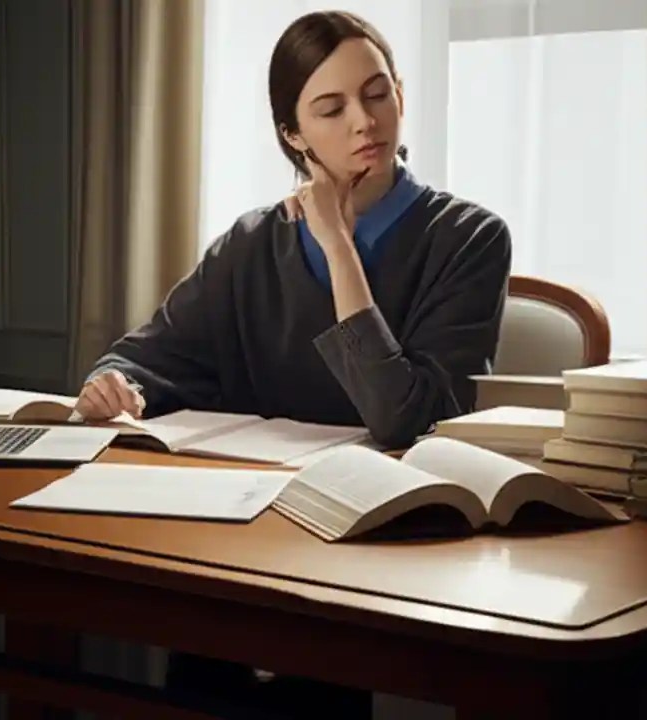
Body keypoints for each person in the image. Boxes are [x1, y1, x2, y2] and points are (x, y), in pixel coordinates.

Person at [76, 9, 512, 717]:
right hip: (245, 538)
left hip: (386, 555)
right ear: (293, 136)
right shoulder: (249, 244)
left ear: (401, 93)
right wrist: (115, 385)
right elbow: (149, 355)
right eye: (330, 108)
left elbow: (403, 415)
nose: (363, 123)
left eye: (376, 93)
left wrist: (338, 246)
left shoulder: (468, 238)